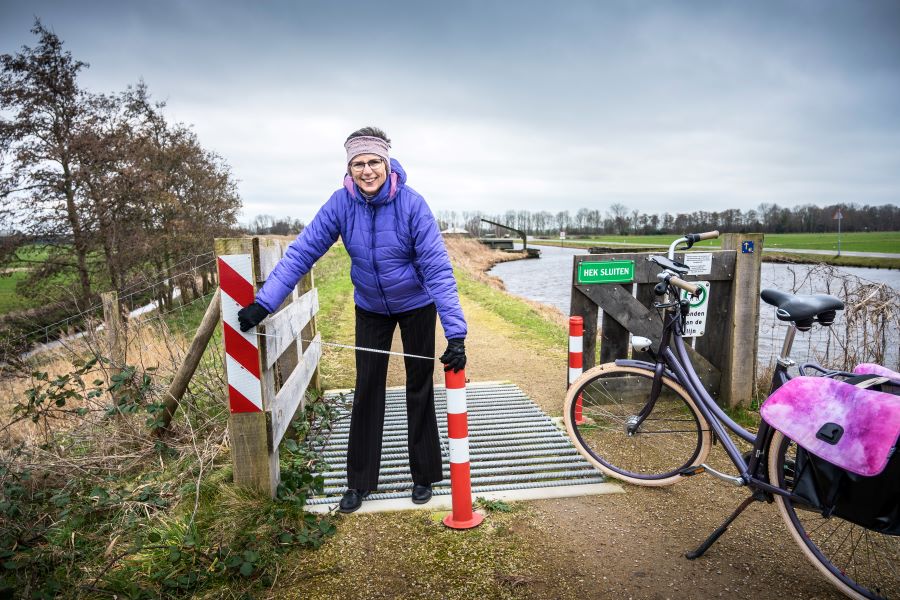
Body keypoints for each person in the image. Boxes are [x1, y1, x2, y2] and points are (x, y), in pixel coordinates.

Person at [237, 126, 467, 513]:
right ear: (349, 168)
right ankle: (359, 482)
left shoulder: (413, 205)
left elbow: (438, 269)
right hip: (371, 306)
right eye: (358, 163)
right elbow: (302, 252)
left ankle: (424, 475)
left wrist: (456, 334)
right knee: (367, 389)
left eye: (374, 161)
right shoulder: (340, 204)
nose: (367, 170)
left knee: (419, 385)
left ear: (387, 163)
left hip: (416, 304)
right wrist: (265, 303)